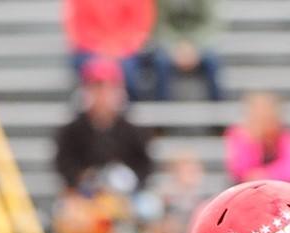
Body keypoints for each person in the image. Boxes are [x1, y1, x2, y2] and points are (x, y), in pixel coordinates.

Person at [54, 58, 153, 196]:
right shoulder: (72, 131)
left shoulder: (132, 131)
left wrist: (127, 180)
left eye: (108, 89)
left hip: (125, 196)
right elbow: (64, 164)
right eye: (96, 89)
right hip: (84, 195)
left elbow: (144, 166)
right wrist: (84, 177)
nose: (102, 96)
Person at [123, 0, 223, 102]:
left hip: (197, 46)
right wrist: (176, 46)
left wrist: (194, 45)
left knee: (212, 60)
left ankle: (218, 105)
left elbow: (210, 23)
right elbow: (160, 24)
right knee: (161, 60)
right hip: (171, 45)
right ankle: (162, 104)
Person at [224, 92, 290, 187]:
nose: (262, 118)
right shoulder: (239, 135)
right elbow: (240, 170)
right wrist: (253, 143)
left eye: (266, 113)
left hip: (284, 189)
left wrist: (267, 175)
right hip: (247, 190)